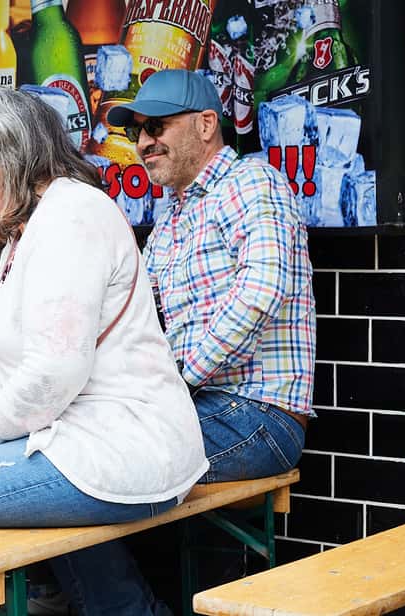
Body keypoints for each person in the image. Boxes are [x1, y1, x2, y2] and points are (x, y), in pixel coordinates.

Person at [0, 88, 209, 616]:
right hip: (67, 435)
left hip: (119, 444)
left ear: (10, 146)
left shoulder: (72, 215)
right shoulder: (27, 229)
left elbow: (54, 371)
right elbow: (8, 366)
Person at [106, 69, 316, 482]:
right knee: (81, 448)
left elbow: (260, 293)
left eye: (157, 126)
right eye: (137, 133)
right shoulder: (168, 221)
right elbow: (136, 315)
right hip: (196, 405)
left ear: (205, 124)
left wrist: (181, 379)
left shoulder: (252, 183)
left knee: (101, 463)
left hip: (259, 416)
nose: (144, 142)